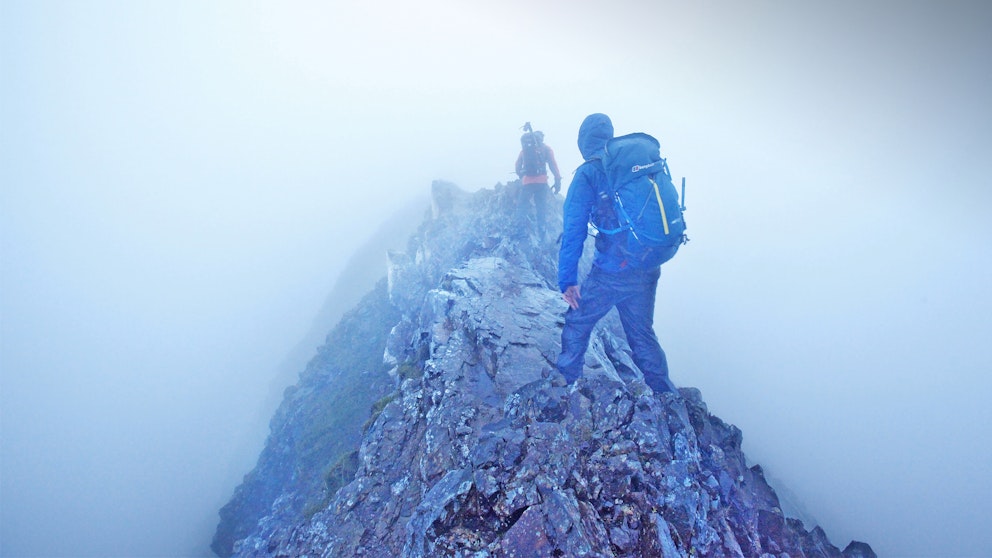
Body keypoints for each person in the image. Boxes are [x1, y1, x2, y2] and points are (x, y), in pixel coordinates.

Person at [556, 113, 677, 395]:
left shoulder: (588, 173)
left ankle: (564, 386)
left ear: (582, 142)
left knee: (577, 323)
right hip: (646, 263)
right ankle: (667, 397)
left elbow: (573, 232)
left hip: (613, 270)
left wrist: (567, 282)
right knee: (642, 335)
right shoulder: (629, 167)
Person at [515, 127, 562, 238]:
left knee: (522, 206)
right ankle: (542, 232)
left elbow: (517, 166)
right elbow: (553, 165)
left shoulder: (525, 150)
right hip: (541, 183)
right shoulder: (546, 149)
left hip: (527, 183)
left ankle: (520, 231)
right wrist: (557, 180)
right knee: (541, 208)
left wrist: (522, 175)